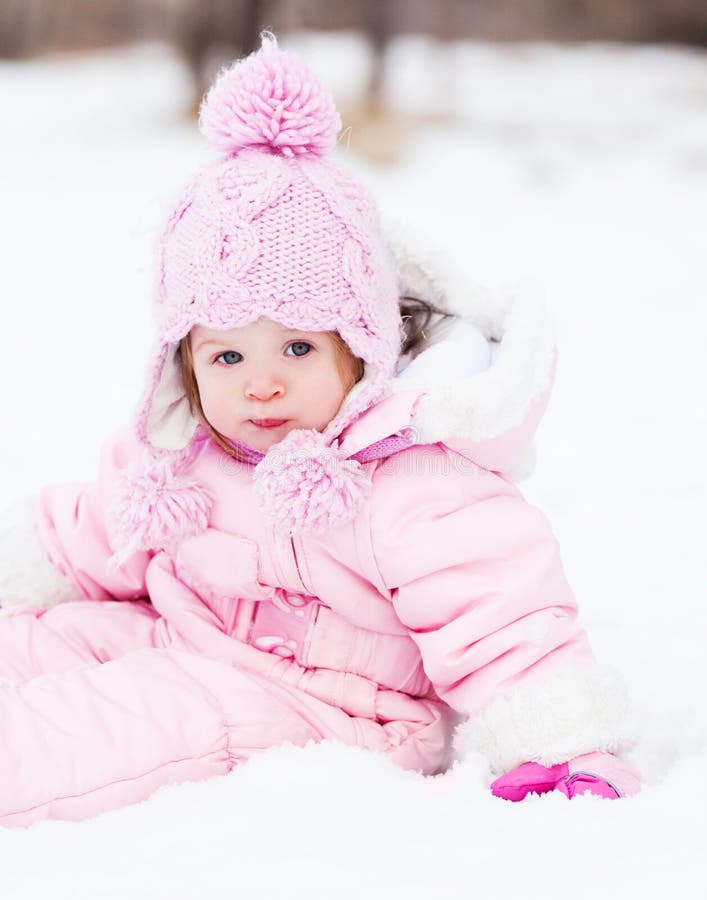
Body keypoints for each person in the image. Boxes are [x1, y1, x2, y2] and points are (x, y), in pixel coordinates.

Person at [0, 34, 640, 828]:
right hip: (180, 635)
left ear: (362, 348)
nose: (260, 382)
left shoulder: (411, 482)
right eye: (227, 354)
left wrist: (560, 741)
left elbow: (499, 614)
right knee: (35, 640)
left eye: (298, 347)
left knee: (97, 724)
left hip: (322, 700)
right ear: (185, 361)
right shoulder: (184, 451)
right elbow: (87, 529)